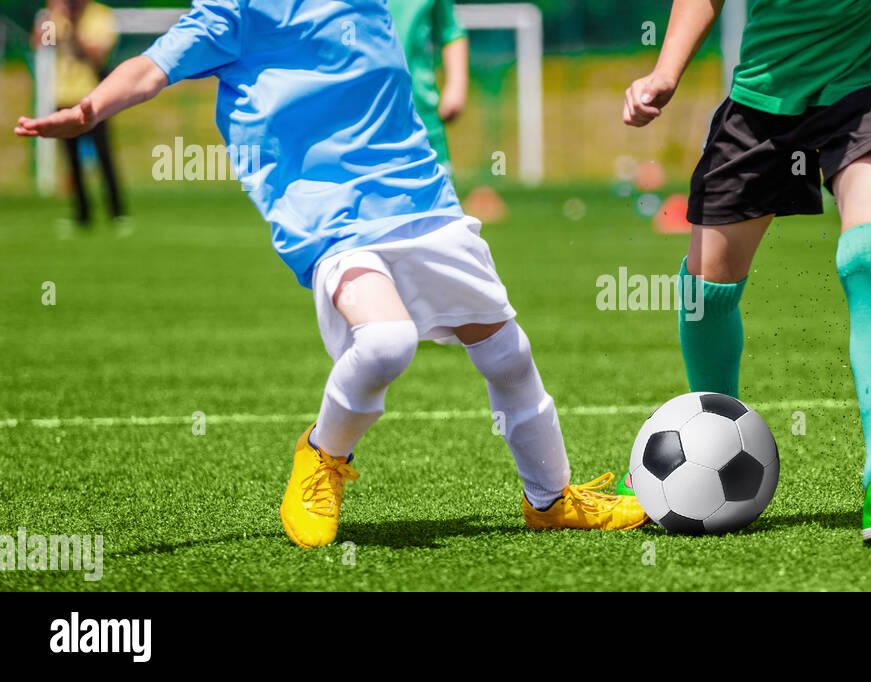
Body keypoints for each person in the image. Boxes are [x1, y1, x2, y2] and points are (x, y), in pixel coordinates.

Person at [14, 0, 648, 548]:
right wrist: (92, 106)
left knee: (508, 352)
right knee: (385, 342)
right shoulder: (234, 13)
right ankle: (322, 454)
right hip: (330, 216)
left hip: (420, 198)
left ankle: (551, 500)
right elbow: (149, 68)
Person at [620, 0, 871, 545]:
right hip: (764, 93)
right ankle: (709, 445)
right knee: (706, 289)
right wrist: (667, 70)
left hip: (867, 86)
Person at [34, 0, 127, 234]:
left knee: (104, 157)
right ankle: (82, 214)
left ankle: (117, 213)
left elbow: (98, 55)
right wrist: (49, 17)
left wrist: (74, 27)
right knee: (72, 160)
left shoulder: (100, 15)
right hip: (64, 97)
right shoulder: (57, 16)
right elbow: (39, 43)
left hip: (95, 98)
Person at [389, 0, 468, 179]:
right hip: (361, 117)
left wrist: (456, 85)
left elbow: (451, 30)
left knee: (437, 195)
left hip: (420, 109)